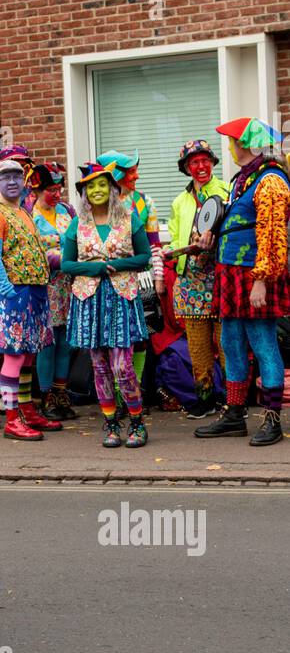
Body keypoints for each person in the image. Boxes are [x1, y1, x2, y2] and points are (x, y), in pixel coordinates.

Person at [195, 117, 290, 446]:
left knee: (264, 346)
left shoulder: (272, 181)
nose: (232, 147)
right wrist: (210, 237)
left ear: (248, 144)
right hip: (230, 275)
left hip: (254, 276)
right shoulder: (241, 181)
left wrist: (261, 280)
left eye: (235, 141)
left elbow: (273, 235)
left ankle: (272, 419)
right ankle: (235, 416)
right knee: (231, 344)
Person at [62, 162, 151, 449]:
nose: (96, 190)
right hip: (89, 299)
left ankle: (136, 422)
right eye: (91, 186)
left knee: (122, 366)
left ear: (112, 189)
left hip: (121, 298)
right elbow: (66, 264)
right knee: (100, 366)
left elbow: (144, 257)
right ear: (84, 192)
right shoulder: (77, 223)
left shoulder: (128, 218)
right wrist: (96, 270)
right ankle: (111, 423)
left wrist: (114, 265)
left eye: (102, 185)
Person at [0, 158, 58, 441]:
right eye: (6, 177)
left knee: (27, 356)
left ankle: (27, 410)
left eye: (17, 176)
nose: (12, 181)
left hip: (35, 292)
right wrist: (8, 291)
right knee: (13, 356)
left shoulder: (23, 211)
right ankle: (12, 419)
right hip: (15, 293)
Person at [165, 140, 229, 418]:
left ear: (213, 163)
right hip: (190, 278)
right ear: (186, 168)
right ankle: (204, 398)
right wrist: (176, 252)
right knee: (197, 344)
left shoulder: (227, 191)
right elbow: (175, 234)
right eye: (194, 163)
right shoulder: (179, 201)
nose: (200, 167)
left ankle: (233, 400)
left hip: (220, 274)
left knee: (226, 341)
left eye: (205, 161)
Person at [96, 149, 164, 403]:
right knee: (113, 338)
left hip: (142, 279)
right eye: (129, 171)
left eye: (136, 169)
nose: (136, 175)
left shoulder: (146, 202)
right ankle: (114, 393)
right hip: (109, 280)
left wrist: (158, 278)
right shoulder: (99, 204)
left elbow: (155, 245)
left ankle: (132, 393)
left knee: (141, 337)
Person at [30, 161, 77, 419]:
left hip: (67, 287)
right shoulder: (30, 215)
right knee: (47, 342)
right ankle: (46, 396)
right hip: (44, 288)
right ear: (38, 190)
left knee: (66, 343)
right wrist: (60, 260)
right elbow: (31, 253)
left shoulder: (67, 212)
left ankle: (62, 393)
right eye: (51, 189)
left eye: (59, 188)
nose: (57, 193)